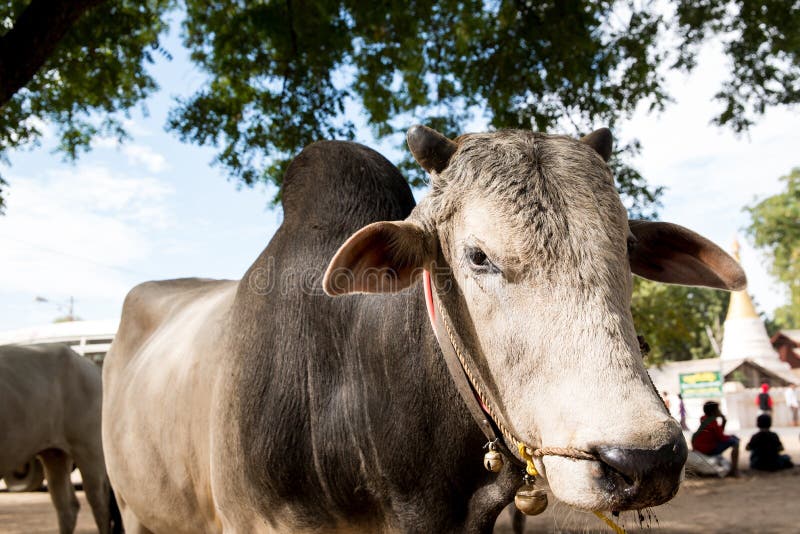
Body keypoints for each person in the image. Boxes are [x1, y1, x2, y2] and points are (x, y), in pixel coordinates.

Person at [692, 401, 740, 476]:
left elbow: (718, 435)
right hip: (707, 449)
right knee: (735, 442)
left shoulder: (705, 419)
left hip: (700, 447)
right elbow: (721, 438)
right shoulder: (712, 422)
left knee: (733, 438)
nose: (720, 411)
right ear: (713, 411)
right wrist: (724, 421)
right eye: (718, 409)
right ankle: (734, 470)